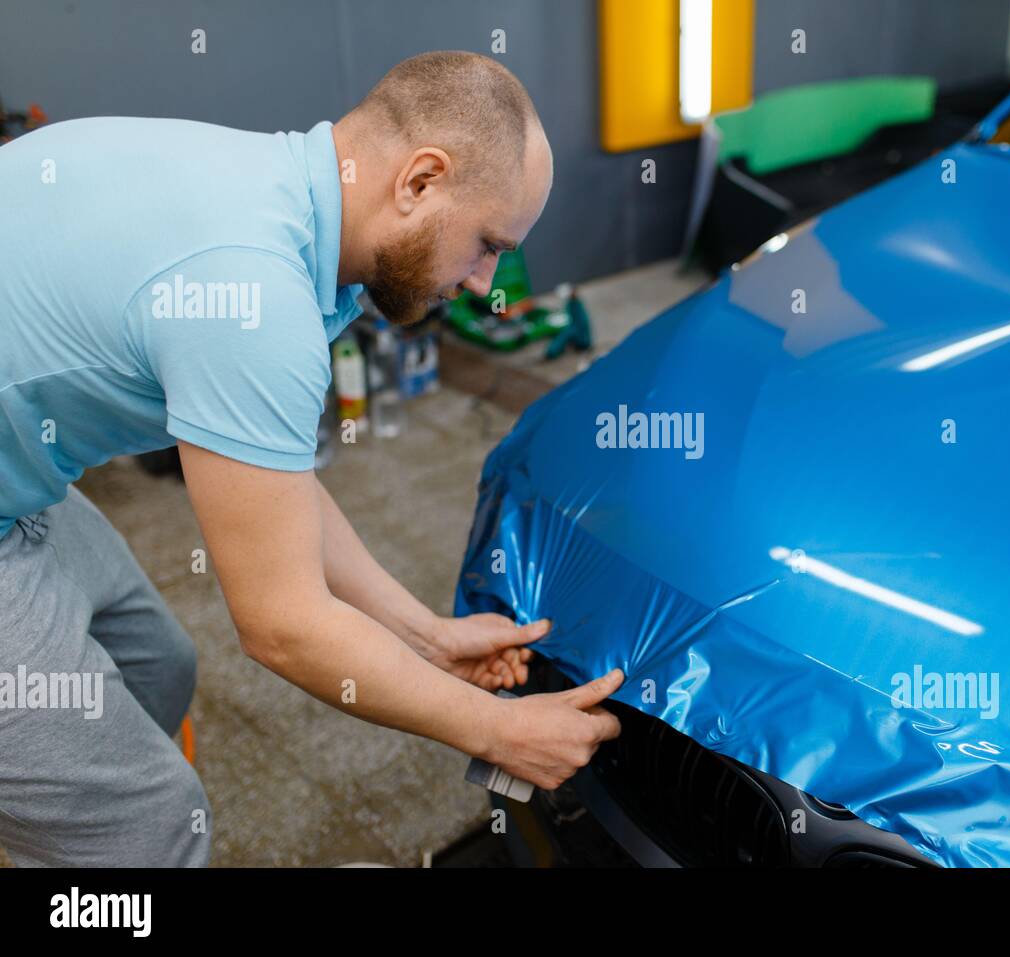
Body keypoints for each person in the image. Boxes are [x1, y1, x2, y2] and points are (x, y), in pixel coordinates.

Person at [0, 51, 622, 867]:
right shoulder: (252, 295)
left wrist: (426, 638)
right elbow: (283, 626)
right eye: (486, 244)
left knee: (157, 666)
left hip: (21, 477)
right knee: (151, 823)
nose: (484, 282)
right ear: (420, 181)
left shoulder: (274, 197)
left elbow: (273, 479)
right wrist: (503, 731)